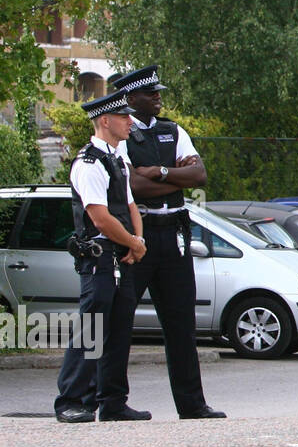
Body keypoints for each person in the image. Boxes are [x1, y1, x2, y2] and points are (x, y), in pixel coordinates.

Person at [112, 65, 225, 420]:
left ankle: (192, 404)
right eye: (151, 93)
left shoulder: (172, 130)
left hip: (173, 234)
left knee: (180, 322)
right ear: (131, 99)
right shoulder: (122, 135)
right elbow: (135, 187)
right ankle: (113, 402)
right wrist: (176, 180)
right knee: (119, 320)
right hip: (138, 235)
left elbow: (200, 176)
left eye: (158, 92)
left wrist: (160, 172)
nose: (159, 97)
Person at [54, 90, 150, 423]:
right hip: (99, 258)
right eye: (124, 117)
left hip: (122, 254)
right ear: (105, 121)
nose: (129, 123)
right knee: (91, 330)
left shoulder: (118, 159)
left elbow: (130, 204)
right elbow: (100, 216)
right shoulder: (89, 162)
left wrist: (136, 240)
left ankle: (112, 401)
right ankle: (72, 399)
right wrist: (133, 244)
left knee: (120, 330)